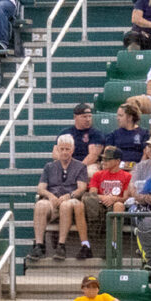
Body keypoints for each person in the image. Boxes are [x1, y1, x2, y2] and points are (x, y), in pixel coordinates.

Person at [29, 133, 89, 261]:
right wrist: (50, 196)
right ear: (57, 149)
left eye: (67, 149)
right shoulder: (49, 167)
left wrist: (69, 195)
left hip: (70, 200)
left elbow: (81, 188)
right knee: (40, 204)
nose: (64, 152)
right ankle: (39, 245)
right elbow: (40, 188)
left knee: (66, 205)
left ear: (72, 150)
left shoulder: (80, 166)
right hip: (53, 200)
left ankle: (61, 245)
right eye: (62, 149)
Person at [83, 145, 131, 250]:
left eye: (108, 159)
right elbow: (93, 194)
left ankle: (113, 245)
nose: (103, 161)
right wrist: (107, 197)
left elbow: (125, 198)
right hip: (98, 206)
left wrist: (114, 199)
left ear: (117, 161)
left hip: (115, 206)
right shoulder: (97, 175)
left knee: (118, 205)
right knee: (88, 199)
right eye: (103, 158)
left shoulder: (127, 176)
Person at [59, 101, 105, 169]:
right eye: (84, 117)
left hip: (88, 164)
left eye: (90, 116)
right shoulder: (65, 133)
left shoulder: (96, 134)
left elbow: (93, 156)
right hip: (68, 163)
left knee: (91, 171)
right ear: (75, 117)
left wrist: (77, 168)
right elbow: (55, 153)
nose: (88, 119)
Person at [106, 103, 148, 169]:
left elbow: (146, 154)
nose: (117, 118)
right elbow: (108, 153)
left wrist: (138, 169)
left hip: (137, 168)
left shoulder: (144, 133)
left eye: (120, 116)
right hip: (117, 168)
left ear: (130, 118)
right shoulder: (114, 134)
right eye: (117, 115)